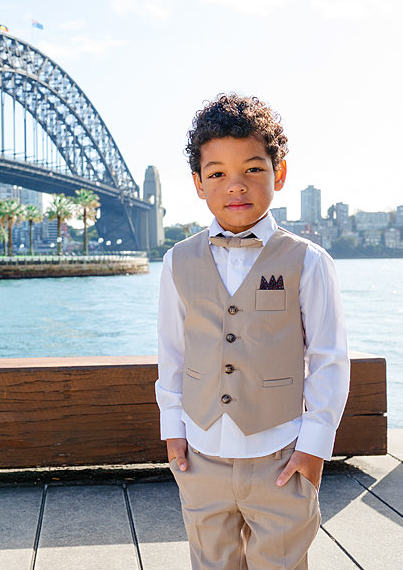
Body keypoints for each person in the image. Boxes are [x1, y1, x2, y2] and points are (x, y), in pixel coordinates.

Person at [156, 93, 350, 570]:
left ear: (278, 174)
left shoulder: (307, 261)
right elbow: (172, 353)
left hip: (281, 454)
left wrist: (314, 448)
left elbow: (328, 358)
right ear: (199, 184)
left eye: (253, 169)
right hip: (200, 452)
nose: (235, 185)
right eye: (217, 173)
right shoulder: (177, 260)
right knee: (211, 562)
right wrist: (172, 430)